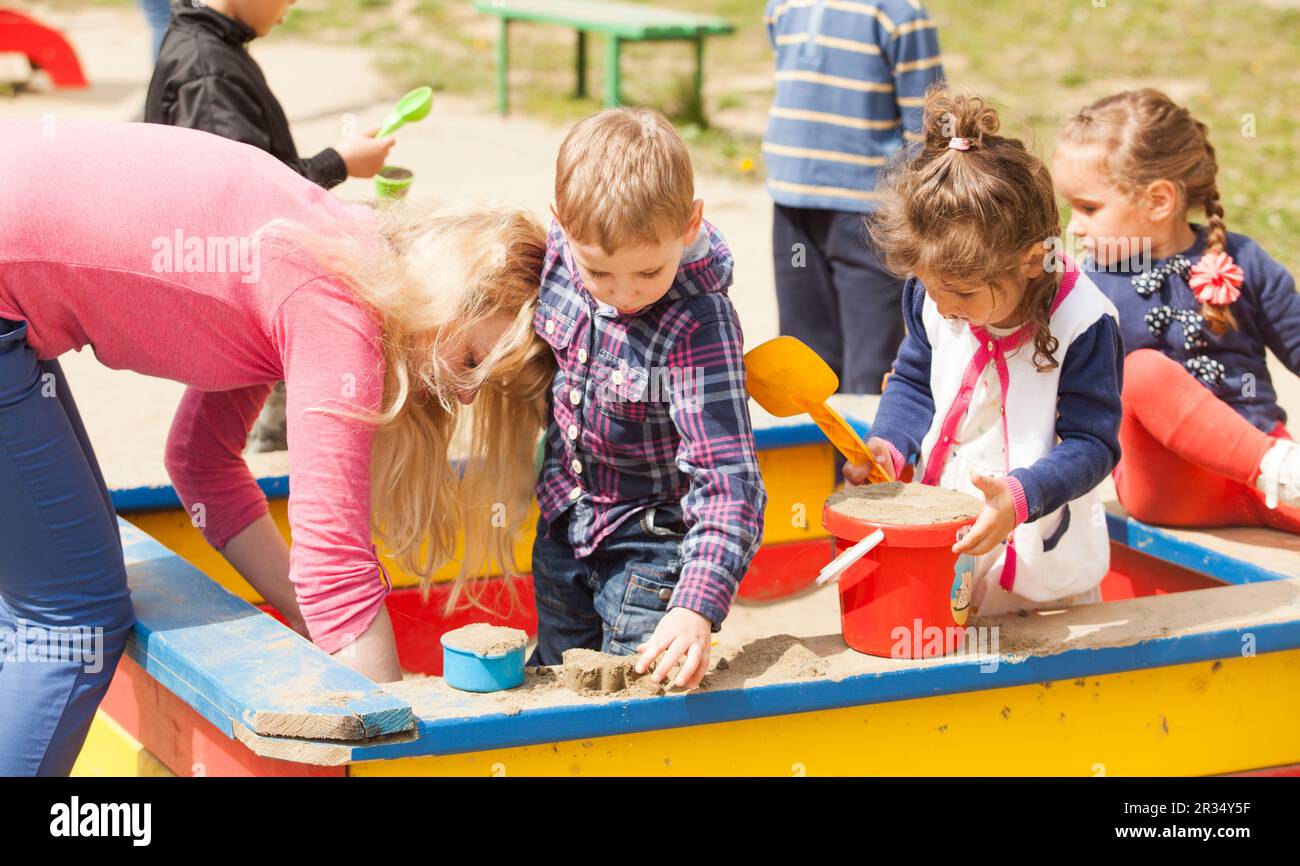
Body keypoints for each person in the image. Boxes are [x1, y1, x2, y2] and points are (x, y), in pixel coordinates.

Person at [0, 119, 552, 775]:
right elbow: (335, 572)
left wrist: (304, 628)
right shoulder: (338, 307)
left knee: (45, 608)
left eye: (482, 391)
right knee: (73, 616)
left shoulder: (328, 246)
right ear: (444, 287)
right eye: (469, 359)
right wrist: (401, 747)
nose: (462, 397)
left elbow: (201, 464)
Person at [844, 88, 1124, 617]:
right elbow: (911, 379)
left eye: (965, 294)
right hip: (946, 528)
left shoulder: (1084, 323)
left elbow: (1093, 443)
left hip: (1041, 556)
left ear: (1031, 259)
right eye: (933, 288)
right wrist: (890, 443)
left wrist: (1022, 496)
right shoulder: (935, 295)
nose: (946, 308)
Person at [529, 108, 767, 688]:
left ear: (690, 225)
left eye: (648, 271)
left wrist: (696, 606)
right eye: (600, 274)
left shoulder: (696, 323)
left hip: (652, 549)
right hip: (566, 521)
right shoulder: (563, 252)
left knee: (633, 694)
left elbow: (729, 478)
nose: (625, 295)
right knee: (557, 683)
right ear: (561, 225)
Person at [145, 0, 397, 451]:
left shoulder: (212, 46)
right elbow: (249, 201)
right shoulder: (209, 73)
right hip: (231, 280)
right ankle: (285, 436)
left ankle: (268, 430)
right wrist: (339, 162)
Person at [1053, 89, 1300, 533]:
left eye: (1088, 208)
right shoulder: (1084, 290)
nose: (1074, 227)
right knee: (1144, 373)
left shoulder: (1243, 258)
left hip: (1273, 480)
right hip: (1173, 486)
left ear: (1159, 201)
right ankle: (1269, 463)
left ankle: (1270, 465)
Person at [762, 0, 944, 394]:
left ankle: (866, 454)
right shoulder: (783, 5)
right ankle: (813, 455)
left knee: (872, 363)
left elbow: (927, 117)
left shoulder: (900, 13)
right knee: (805, 358)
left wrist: (919, 205)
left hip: (869, 213)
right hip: (793, 201)